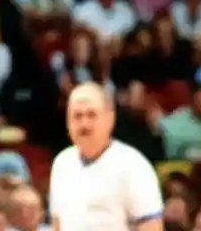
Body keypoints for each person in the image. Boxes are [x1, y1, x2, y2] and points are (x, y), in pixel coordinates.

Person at [49, 83, 164, 230]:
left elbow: (151, 226)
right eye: (77, 116)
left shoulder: (134, 166)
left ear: (110, 119)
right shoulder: (62, 163)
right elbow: (58, 224)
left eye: (91, 115)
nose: (84, 124)